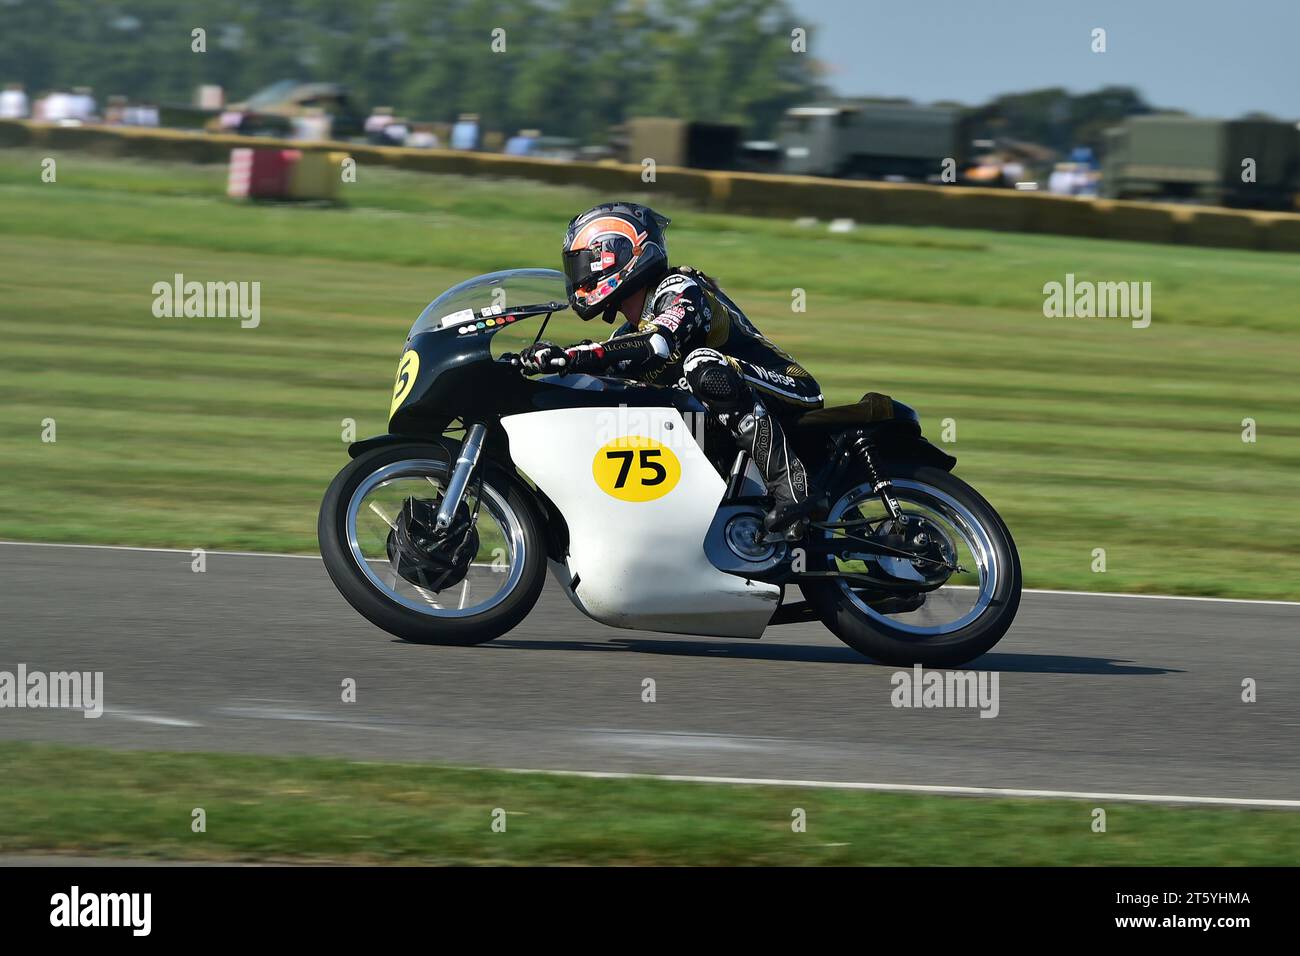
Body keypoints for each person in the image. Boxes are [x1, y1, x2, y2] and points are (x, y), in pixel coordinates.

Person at [518, 202, 823, 534]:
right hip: (736, 408)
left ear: (616, 256)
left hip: (790, 387)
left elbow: (656, 344)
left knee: (700, 365)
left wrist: (576, 354)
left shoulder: (679, 288)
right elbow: (610, 372)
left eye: (583, 265)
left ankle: (792, 486)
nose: (579, 278)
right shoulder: (624, 335)